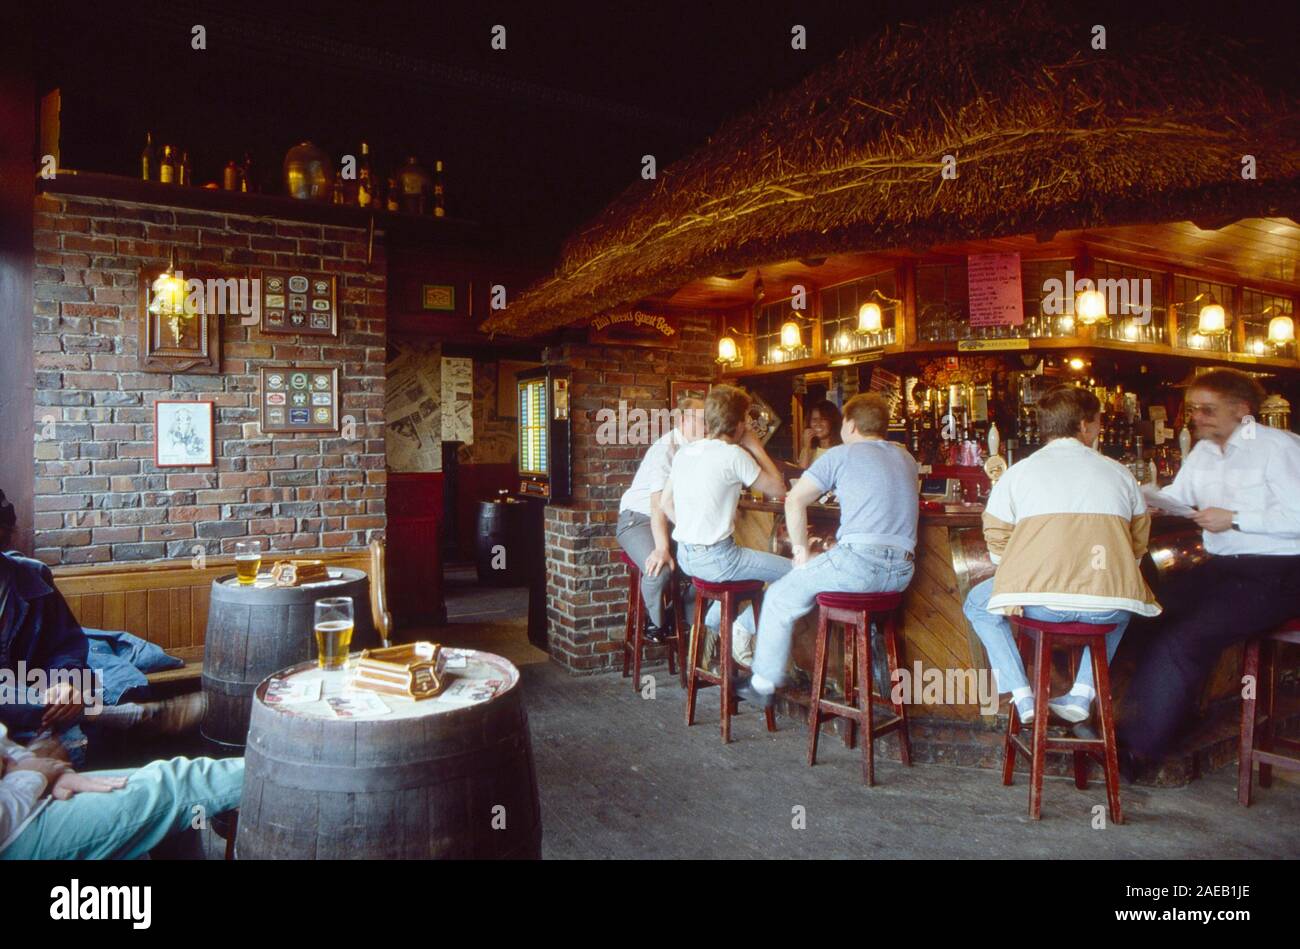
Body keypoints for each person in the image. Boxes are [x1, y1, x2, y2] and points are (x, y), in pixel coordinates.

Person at [1118, 369, 1300, 778]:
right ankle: (1160, 719)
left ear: (1242, 409)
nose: (1197, 417)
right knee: (1147, 614)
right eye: (1194, 408)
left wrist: (1235, 519)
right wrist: (1153, 502)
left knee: (1185, 638)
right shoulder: (1201, 453)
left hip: (1280, 574)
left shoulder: (1280, 447)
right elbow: (1180, 499)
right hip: (1221, 568)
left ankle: (1139, 751)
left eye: (1208, 409)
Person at [961, 385, 1160, 725]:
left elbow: (995, 533)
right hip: (1103, 612)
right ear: (1084, 425)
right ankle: (1083, 692)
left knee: (977, 603)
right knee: (1124, 598)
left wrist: (1014, 576)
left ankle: (1022, 695)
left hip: (1041, 607)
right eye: (1098, 422)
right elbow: (1138, 543)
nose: (1098, 429)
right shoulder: (1120, 473)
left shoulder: (1017, 473)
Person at [736, 392, 919, 706]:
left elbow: (794, 499)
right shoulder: (906, 458)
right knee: (814, 577)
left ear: (848, 425)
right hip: (901, 574)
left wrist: (800, 553)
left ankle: (762, 684)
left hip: (860, 566)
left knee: (780, 594)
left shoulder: (841, 454)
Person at [0, 547, 206, 765]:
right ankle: (113, 714)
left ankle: (98, 714)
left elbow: (63, 645)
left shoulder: (31, 575)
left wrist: (66, 681)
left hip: (36, 693)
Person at [660, 385, 790, 660]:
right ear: (741, 424)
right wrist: (755, 445)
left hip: (687, 557)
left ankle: (710, 625)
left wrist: (694, 529)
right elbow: (779, 488)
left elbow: (665, 503)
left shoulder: (685, 452)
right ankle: (743, 629)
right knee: (794, 573)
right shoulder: (734, 455)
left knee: (745, 570)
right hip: (719, 559)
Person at [0, 720, 243, 859]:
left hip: (22, 790)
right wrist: (35, 776)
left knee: (186, 819)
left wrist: (53, 772)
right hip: (12, 832)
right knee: (179, 785)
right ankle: (277, 772)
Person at [615, 396, 706, 643]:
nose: (708, 425)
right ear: (683, 420)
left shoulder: (700, 450)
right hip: (638, 520)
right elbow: (657, 505)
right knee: (660, 569)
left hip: (671, 521)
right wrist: (662, 548)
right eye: (702, 419)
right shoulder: (665, 449)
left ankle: (676, 616)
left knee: (708, 564)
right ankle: (653, 623)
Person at [797, 399, 843, 468]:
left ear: (833, 422)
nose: (818, 424)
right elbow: (801, 473)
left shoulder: (842, 450)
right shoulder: (809, 449)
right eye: (814, 419)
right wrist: (806, 447)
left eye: (823, 419)